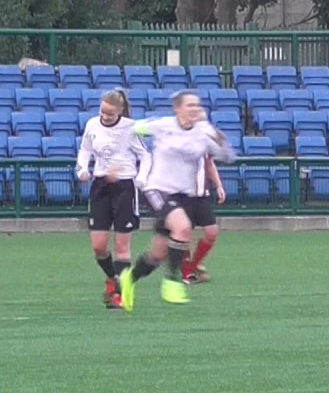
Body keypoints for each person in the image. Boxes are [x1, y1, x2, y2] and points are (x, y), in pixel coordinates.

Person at [117, 90, 236, 311]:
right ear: (177, 108)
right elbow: (130, 128)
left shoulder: (203, 131)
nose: (195, 109)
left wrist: (216, 134)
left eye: (197, 105)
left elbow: (227, 156)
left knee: (159, 253)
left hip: (184, 196)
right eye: (190, 105)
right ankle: (172, 281)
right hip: (158, 189)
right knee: (183, 228)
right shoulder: (164, 125)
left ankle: (129, 279)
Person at [76, 89, 151, 309]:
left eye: (110, 113)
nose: (105, 117)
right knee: (99, 246)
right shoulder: (92, 125)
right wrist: (82, 169)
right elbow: (85, 150)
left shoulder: (130, 128)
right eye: (103, 112)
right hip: (100, 187)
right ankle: (113, 278)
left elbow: (145, 156)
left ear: (120, 110)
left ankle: (120, 294)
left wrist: (141, 179)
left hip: (125, 187)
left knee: (121, 245)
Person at [181, 153, 225, 284]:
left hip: (202, 196)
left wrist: (219, 185)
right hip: (182, 195)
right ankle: (187, 271)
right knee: (183, 233)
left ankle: (193, 265)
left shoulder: (204, 143)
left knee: (212, 231)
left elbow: (209, 164)